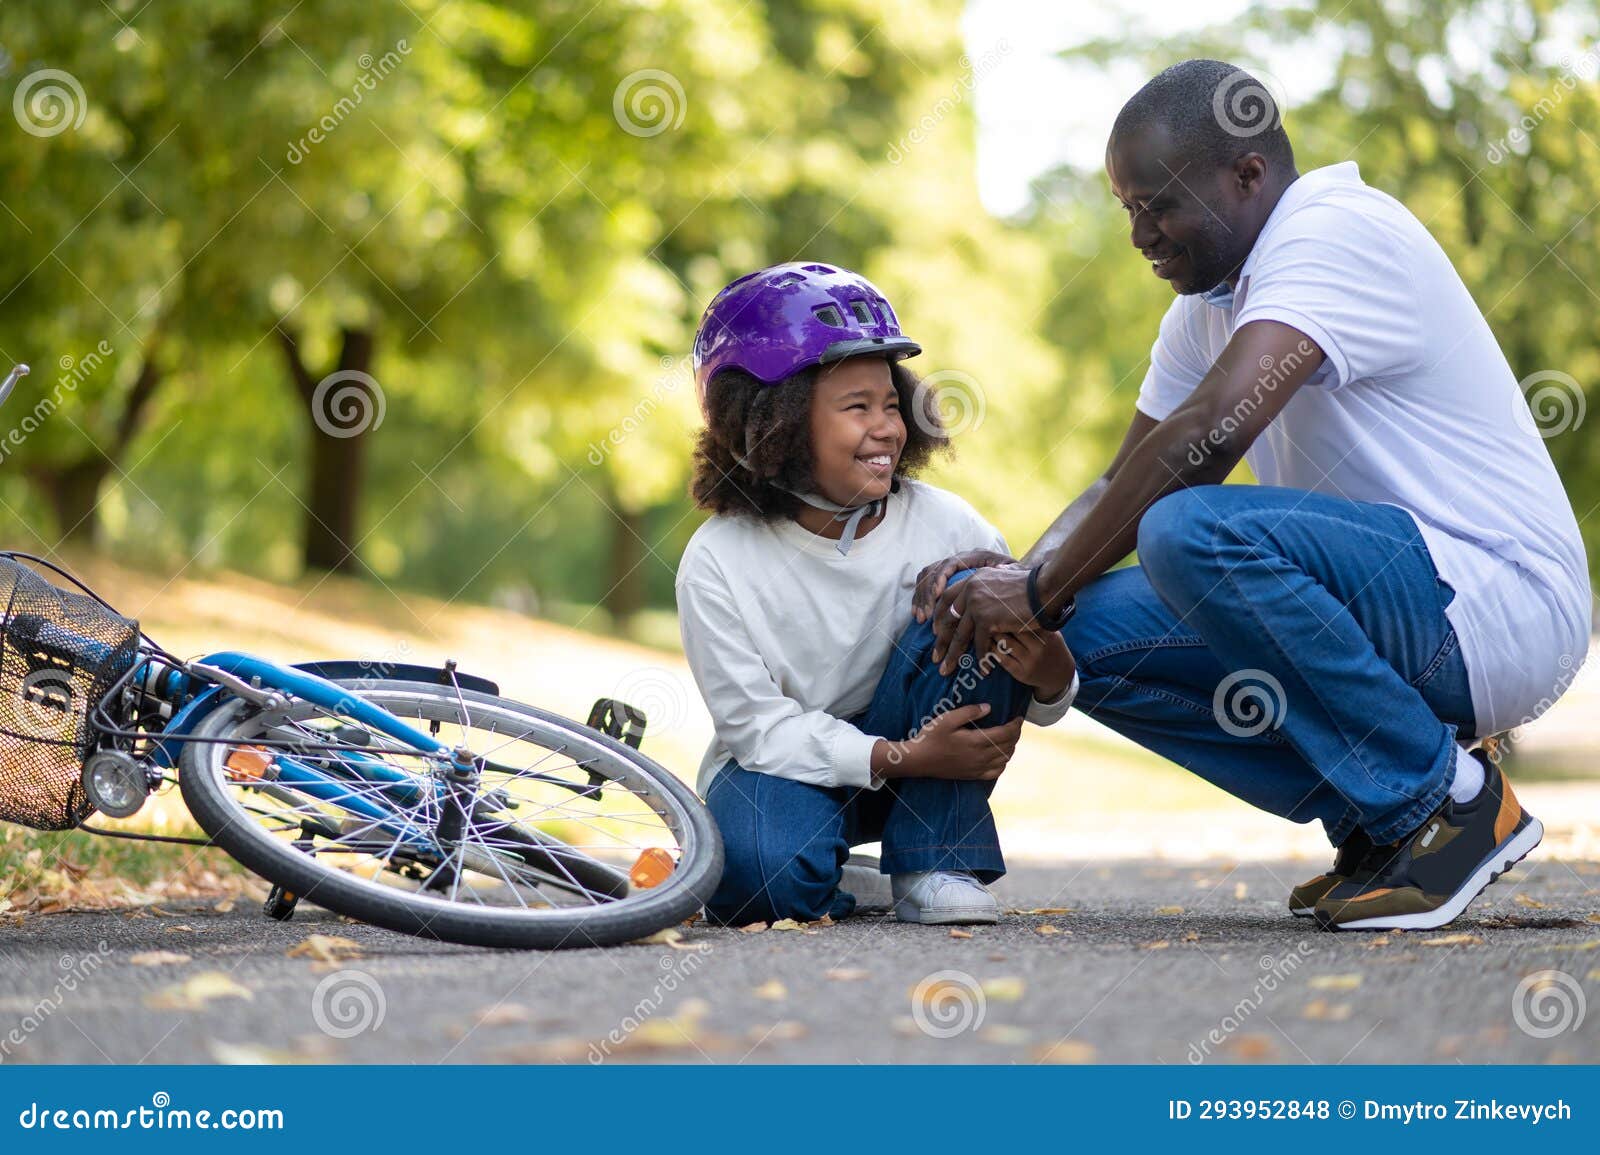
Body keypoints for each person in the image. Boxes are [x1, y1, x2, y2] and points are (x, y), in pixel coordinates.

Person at [915, 59, 1590, 931]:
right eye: (1127, 209)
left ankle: (1446, 805)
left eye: (1158, 203)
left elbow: (1214, 430)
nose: (1140, 235)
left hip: (1501, 602)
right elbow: (1118, 480)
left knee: (1185, 530)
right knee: (1074, 629)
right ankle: (1376, 823)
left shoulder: (1333, 232)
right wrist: (1027, 589)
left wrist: (1034, 587)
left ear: (1247, 175)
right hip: (1405, 614)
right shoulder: (1208, 304)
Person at [677, 262, 1076, 926]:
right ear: (772, 421)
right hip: (785, 770)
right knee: (760, 885)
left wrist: (1053, 669)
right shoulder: (717, 561)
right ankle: (840, 871)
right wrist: (902, 756)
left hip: (929, 763)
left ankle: (933, 862)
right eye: (856, 407)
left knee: (978, 586)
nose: (888, 427)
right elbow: (755, 729)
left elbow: (1047, 700)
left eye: (892, 403)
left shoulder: (951, 524)